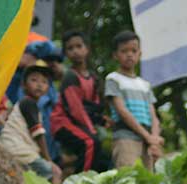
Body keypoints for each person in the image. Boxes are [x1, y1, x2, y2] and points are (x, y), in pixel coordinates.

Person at [51, 30, 109, 174]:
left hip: (80, 123)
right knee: (90, 143)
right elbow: (76, 109)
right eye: (70, 48)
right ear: (66, 54)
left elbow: (93, 107)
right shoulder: (70, 77)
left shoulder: (93, 78)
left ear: (86, 49)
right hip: (62, 123)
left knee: (104, 156)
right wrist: (92, 129)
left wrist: (103, 121)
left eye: (79, 46)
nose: (75, 51)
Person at [105, 30, 163, 169]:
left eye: (134, 50)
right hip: (126, 136)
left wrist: (154, 140)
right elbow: (122, 112)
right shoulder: (113, 79)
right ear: (115, 55)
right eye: (124, 51)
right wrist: (148, 137)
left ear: (140, 54)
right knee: (128, 178)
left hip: (147, 140)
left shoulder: (145, 84)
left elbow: (153, 116)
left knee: (147, 181)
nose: (129, 54)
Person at [0, 60, 61, 184]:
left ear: (48, 88)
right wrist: (48, 160)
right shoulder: (28, 103)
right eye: (34, 80)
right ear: (24, 85)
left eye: (44, 82)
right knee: (54, 172)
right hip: (17, 149)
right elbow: (38, 133)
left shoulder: (28, 104)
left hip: (16, 148)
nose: (39, 85)